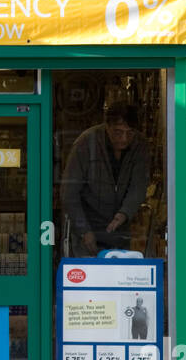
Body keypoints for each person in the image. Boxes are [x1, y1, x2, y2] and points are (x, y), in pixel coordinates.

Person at [61, 101, 150, 256]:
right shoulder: (86, 142)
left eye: (129, 133)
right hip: (87, 225)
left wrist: (124, 213)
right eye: (118, 132)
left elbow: (139, 185)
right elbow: (69, 192)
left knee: (120, 277)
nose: (123, 139)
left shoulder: (140, 145)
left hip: (119, 229)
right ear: (107, 126)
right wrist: (84, 230)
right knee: (88, 276)